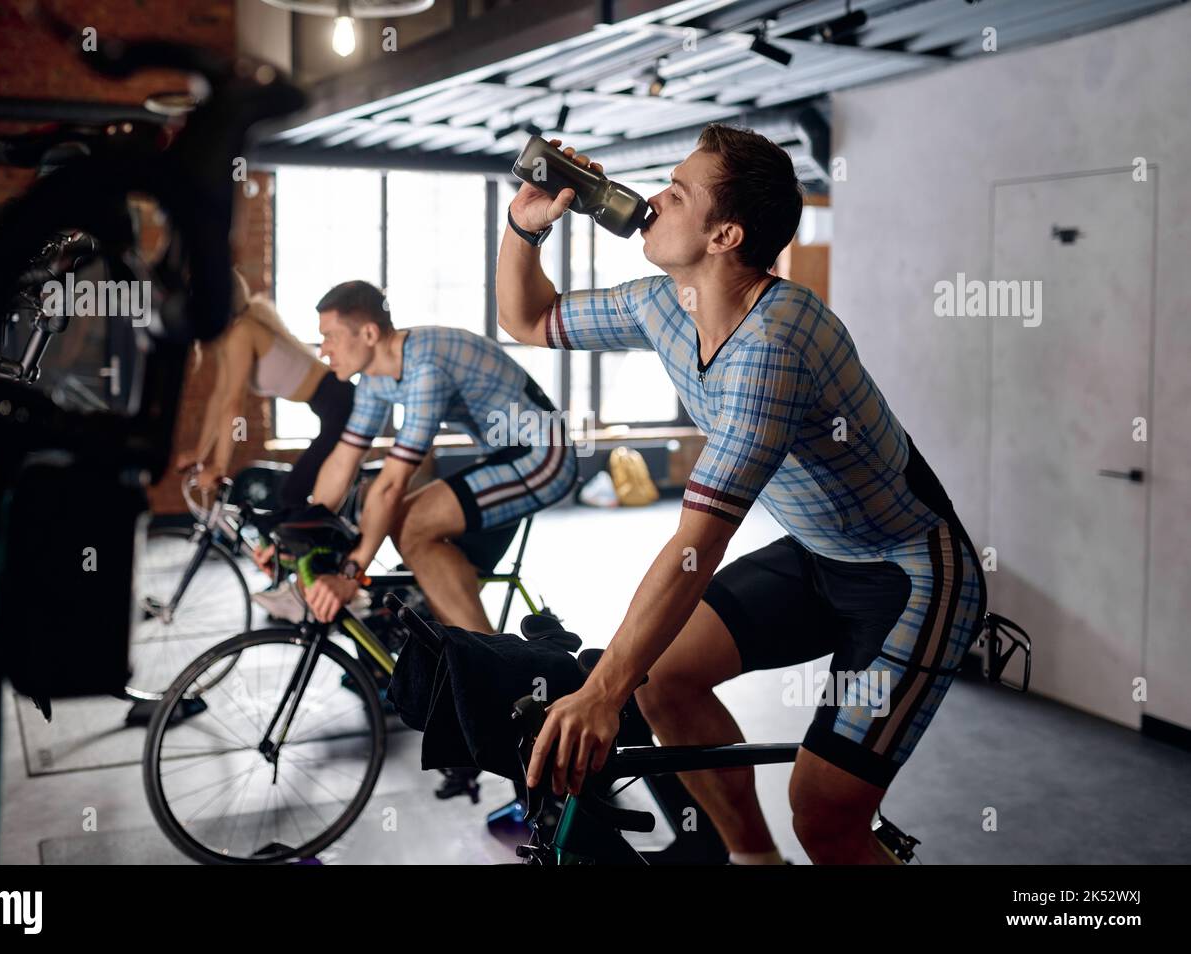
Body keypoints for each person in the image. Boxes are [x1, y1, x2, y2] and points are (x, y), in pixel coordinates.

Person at [496, 126, 985, 865]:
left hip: (908, 577)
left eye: (677, 192)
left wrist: (599, 694)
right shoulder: (665, 305)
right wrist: (523, 229)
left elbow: (697, 544)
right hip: (820, 553)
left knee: (825, 816)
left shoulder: (775, 345)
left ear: (724, 234)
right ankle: (755, 860)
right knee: (663, 682)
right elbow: (527, 320)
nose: (653, 199)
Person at [280, 280, 576, 634]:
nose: (323, 351)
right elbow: (344, 460)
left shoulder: (425, 367)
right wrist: (306, 528)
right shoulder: (376, 380)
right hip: (504, 456)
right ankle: (464, 658)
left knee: (409, 523)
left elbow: (391, 485)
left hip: (544, 456)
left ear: (370, 334)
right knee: (425, 552)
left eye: (330, 336)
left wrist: (351, 572)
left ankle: (492, 667)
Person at [174, 270, 353, 508]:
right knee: (292, 493)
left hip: (340, 403)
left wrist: (219, 466)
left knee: (291, 494)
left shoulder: (241, 332)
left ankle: (323, 545)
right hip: (331, 403)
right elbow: (219, 399)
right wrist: (199, 452)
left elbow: (234, 403)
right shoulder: (232, 336)